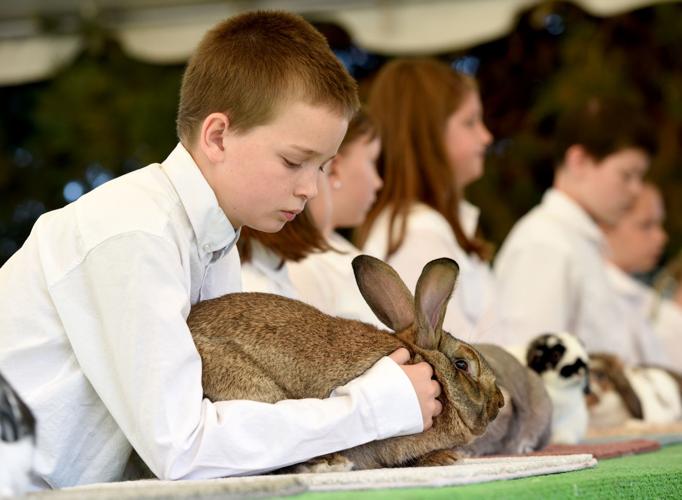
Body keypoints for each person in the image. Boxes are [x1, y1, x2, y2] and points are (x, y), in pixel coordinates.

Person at [0, 12, 442, 489]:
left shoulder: (213, 241)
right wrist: (371, 409)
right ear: (217, 137)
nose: (311, 189)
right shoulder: (135, 232)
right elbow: (183, 449)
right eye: (294, 161)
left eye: (323, 167)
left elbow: (231, 415)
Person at [354, 58, 503, 344]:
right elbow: (446, 358)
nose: (486, 136)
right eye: (470, 122)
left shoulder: (433, 226)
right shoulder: (417, 234)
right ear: (428, 134)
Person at [494, 96, 657, 355]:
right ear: (578, 161)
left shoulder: (577, 242)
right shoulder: (545, 243)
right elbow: (529, 367)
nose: (636, 190)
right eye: (627, 175)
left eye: (640, 177)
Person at [287, 108, 384, 326]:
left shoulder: (339, 250)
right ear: (337, 168)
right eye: (372, 161)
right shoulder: (304, 268)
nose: (379, 182)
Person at [604, 182, 679, 369]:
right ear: (605, 225)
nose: (661, 237)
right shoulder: (597, 293)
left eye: (659, 225)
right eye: (646, 225)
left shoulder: (640, 298)